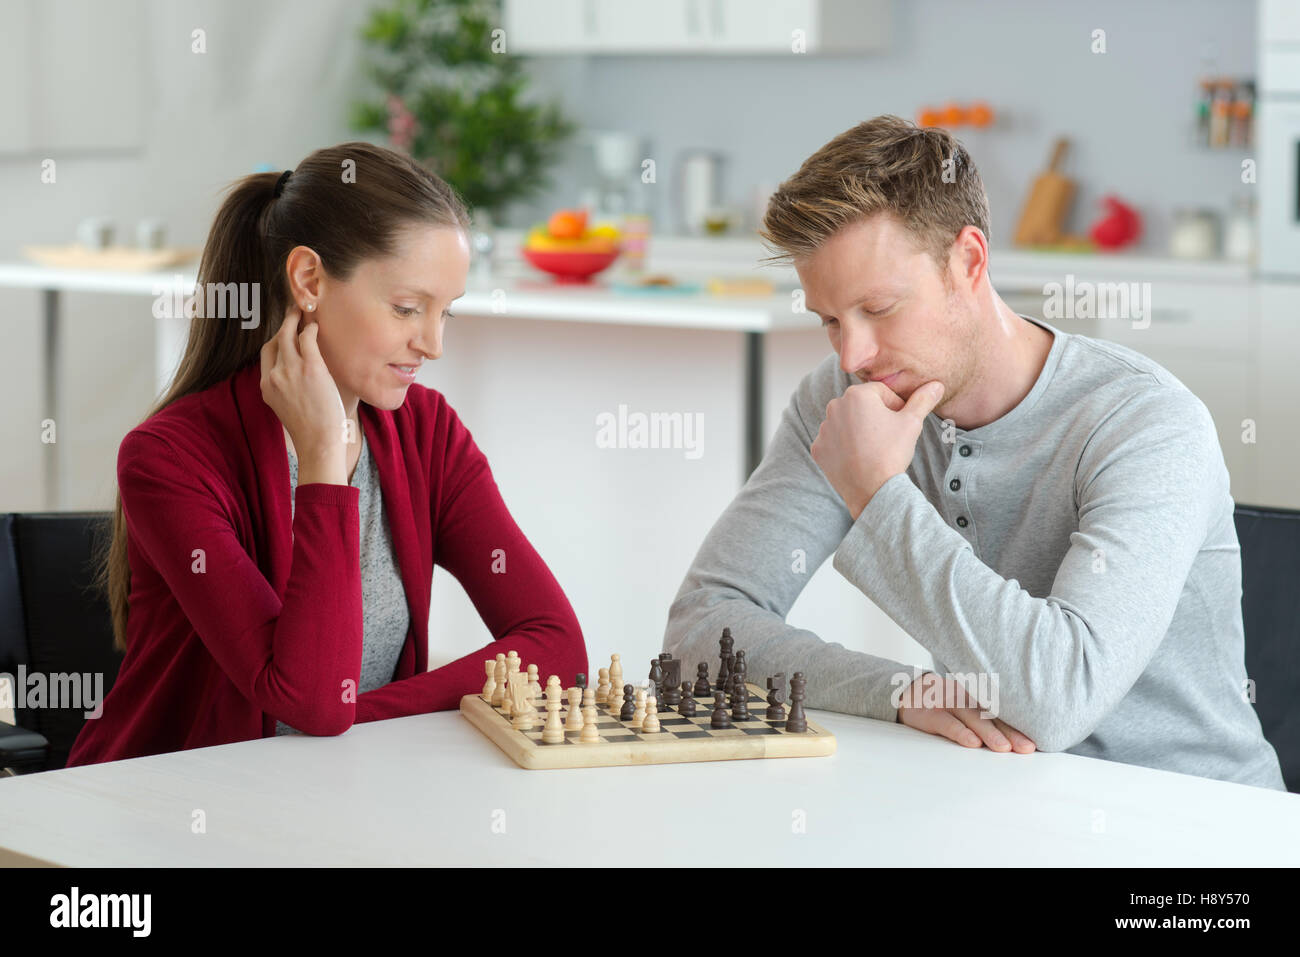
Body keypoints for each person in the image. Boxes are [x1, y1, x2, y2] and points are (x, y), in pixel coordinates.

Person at [663, 115, 1285, 790]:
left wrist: (875, 492)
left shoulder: (1146, 422)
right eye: (831, 321)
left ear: (970, 261)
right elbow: (703, 624)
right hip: (1004, 803)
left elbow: (1056, 697)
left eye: (879, 308)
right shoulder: (845, 399)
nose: (853, 355)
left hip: (1202, 827)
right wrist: (903, 692)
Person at [68, 142, 587, 766]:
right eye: (406, 308)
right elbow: (311, 701)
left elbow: (556, 647)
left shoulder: (428, 433)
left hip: (338, 783)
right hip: (173, 809)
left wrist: (354, 718)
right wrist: (322, 462)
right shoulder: (169, 459)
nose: (432, 343)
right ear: (309, 281)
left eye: (444, 312)